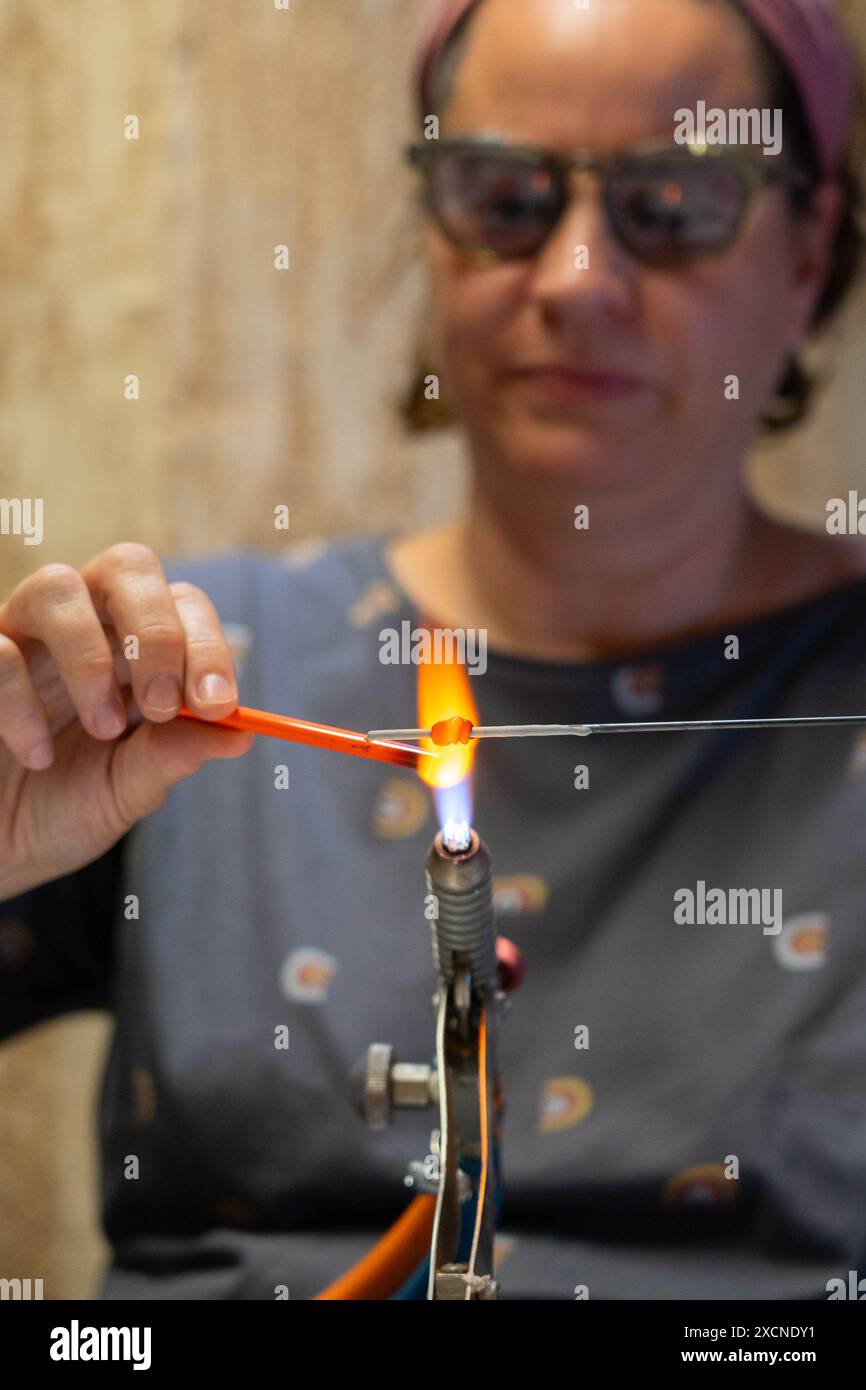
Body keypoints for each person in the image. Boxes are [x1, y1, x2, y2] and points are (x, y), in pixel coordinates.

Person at [2, 0, 866, 1300]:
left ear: (808, 246)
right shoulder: (185, 684)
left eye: (677, 198)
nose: (577, 276)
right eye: (503, 191)